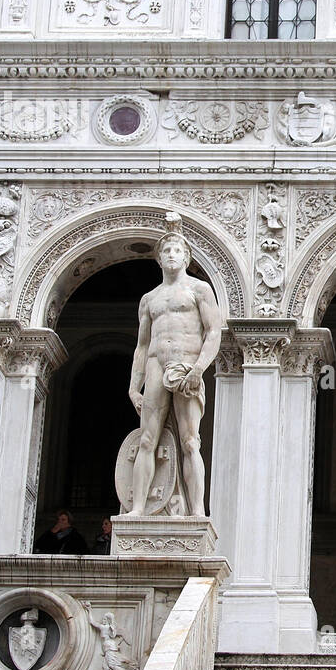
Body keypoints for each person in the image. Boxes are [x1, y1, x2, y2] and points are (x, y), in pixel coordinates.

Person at [126, 213, 222, 517]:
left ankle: (197, 511)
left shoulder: (199, 289)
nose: (171, 254)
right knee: (147, 440)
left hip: (186, 367)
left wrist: (199, 369)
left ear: (187, 257)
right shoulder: (149, 298)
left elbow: (214, 332)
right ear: (158, 259)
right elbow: (142, 346)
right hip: (156, 366)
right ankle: (138, 509)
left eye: (177, 250)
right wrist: (133, 388)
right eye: (166, 251)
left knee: (190, 441)